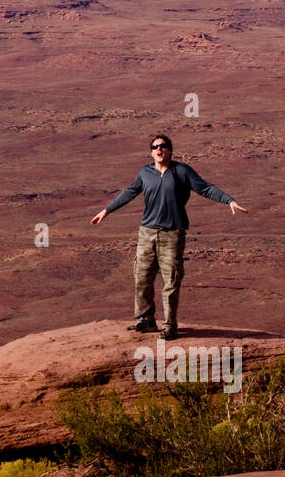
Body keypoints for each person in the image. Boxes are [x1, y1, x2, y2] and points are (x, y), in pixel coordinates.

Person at [90, 134, 247, 340]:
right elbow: (129, 192)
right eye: (155, 147)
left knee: (171, 280)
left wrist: (229, 201)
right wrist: (106, 211)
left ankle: (170, 325)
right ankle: (145, 320)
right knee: (142, 276)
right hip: (147, 232)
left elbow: (205, 187)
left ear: (170, 150)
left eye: (163, 146)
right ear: (151, 152)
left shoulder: (181, 171)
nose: (159, 149)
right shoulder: (145, 173)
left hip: (172, 232)